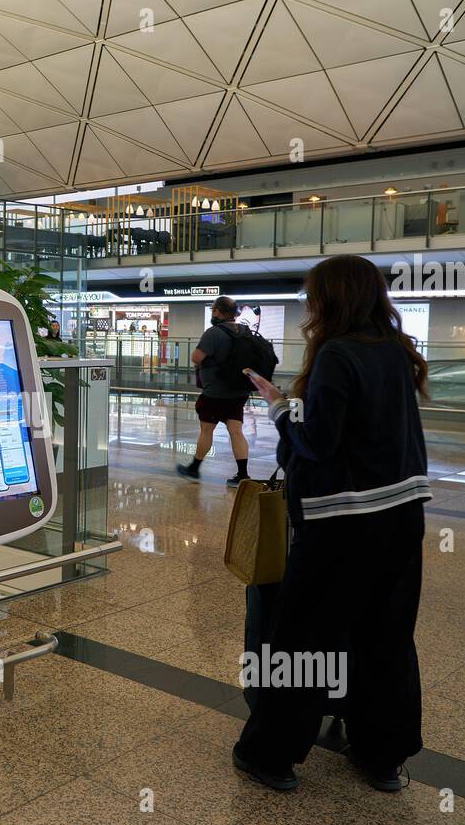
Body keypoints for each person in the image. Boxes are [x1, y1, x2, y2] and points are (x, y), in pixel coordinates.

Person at [233, 254, 431, 793]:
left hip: (342, 526)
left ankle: (270, 755)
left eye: (312, 294)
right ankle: (382, 755)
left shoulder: (337, 354)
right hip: (401, 518)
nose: (308, 304)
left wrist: (276, 406)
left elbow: (318, 443)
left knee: (303, 640)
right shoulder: (394, 350)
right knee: (385, 638)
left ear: (332, 299)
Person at [176, 295, 251, 487]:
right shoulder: (244, 330)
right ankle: (243, 475)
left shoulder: (213, 332)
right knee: (236, 431)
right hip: (239, 391)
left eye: (212, 310)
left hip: (215, 392)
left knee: (206, 430)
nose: (212, 313)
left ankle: (194, 469)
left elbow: (196, 357)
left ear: (218, 311)